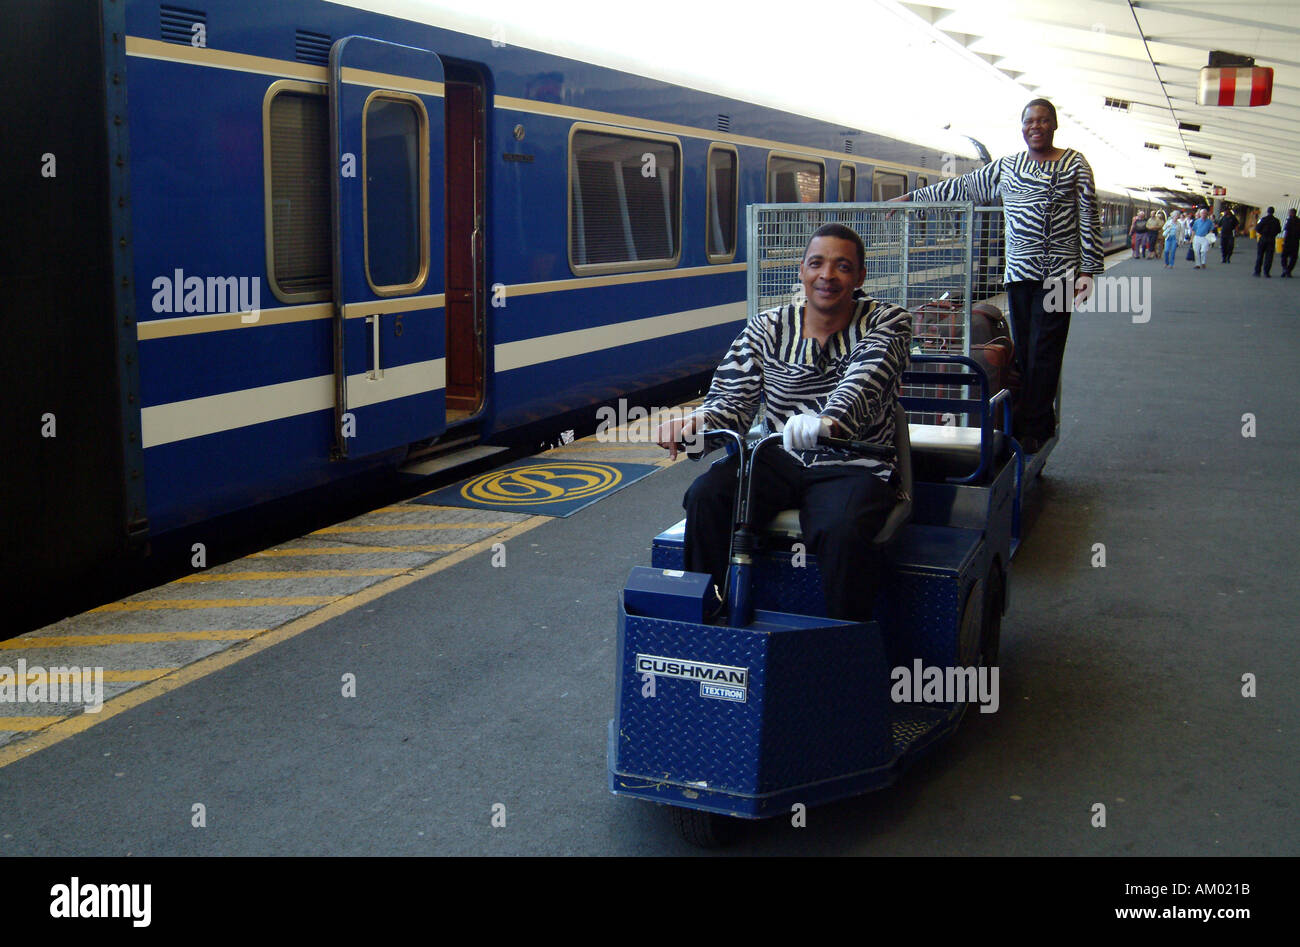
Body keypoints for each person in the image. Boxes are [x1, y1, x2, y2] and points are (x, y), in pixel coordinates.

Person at [655, 224, 910, 622]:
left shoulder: (888, 321)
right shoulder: (767, 327)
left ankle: (844, 636)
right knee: (707, 495)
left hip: (852, 463)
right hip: (779, 456)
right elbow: (732, 401)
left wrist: (828, 422)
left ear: (860, 277)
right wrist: (696, 423)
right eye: (817, 264)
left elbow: (867, 379)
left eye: (842, 267)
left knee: (841, 527)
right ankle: (706, 617)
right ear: (802, 272)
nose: (827, 276)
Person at [893, 97, 1101, 454]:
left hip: (1061, 274)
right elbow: (961, 188)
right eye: (1028, 122)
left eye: (1042, 120)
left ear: (1054, 125)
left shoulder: (1074, 164)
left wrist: (1089, 270)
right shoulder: (1008, 167)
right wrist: (913, 197)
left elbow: (1089, 214)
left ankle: (1034, 426)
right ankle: (1032, 418)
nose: (1035, 127)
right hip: (1020, 273)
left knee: (1045, 350)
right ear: (1022, 128)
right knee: (1025, 349)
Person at [1254, 207, 1281, 277]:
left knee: (1260, 256)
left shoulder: (1263, 219)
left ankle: (1257, 272)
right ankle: (1266, 272)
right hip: (1271, 240)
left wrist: (1262, 233)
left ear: (1267, 211)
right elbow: (1279, 230)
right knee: (1269, 257)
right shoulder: (1276, 221)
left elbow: (1257, 228)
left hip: (1263, 239)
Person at [1281, 209, 1299, 278]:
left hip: (1288, 242)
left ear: (1291, 213)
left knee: (1284, 256)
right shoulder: (1299, 221)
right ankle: (1288, 270)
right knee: (1293, 258)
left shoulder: (1289, 221)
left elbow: (1286, 231)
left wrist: (1283, 241)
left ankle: (1285, 269)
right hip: (1295, 242)